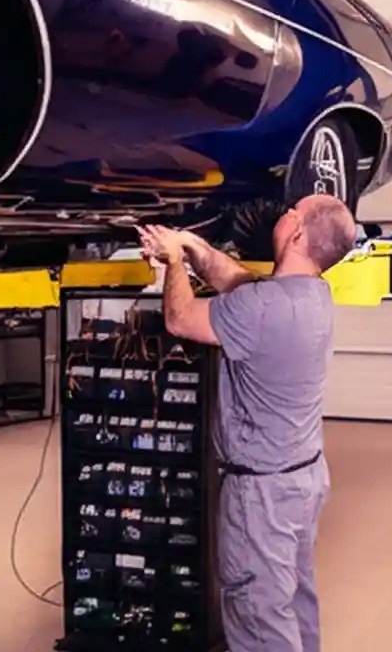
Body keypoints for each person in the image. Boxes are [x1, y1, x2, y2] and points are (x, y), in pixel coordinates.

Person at [137, 193, 357, 652]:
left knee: (258, 614)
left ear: (295, 233)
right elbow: (239, 282)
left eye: (289, 213)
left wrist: (172, 263)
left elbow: (180, 319)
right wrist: (194, 248)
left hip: (262, 495)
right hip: (302, 478)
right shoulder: (311, 296)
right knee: (294, 601)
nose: (280, 215)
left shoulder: (261, 308)